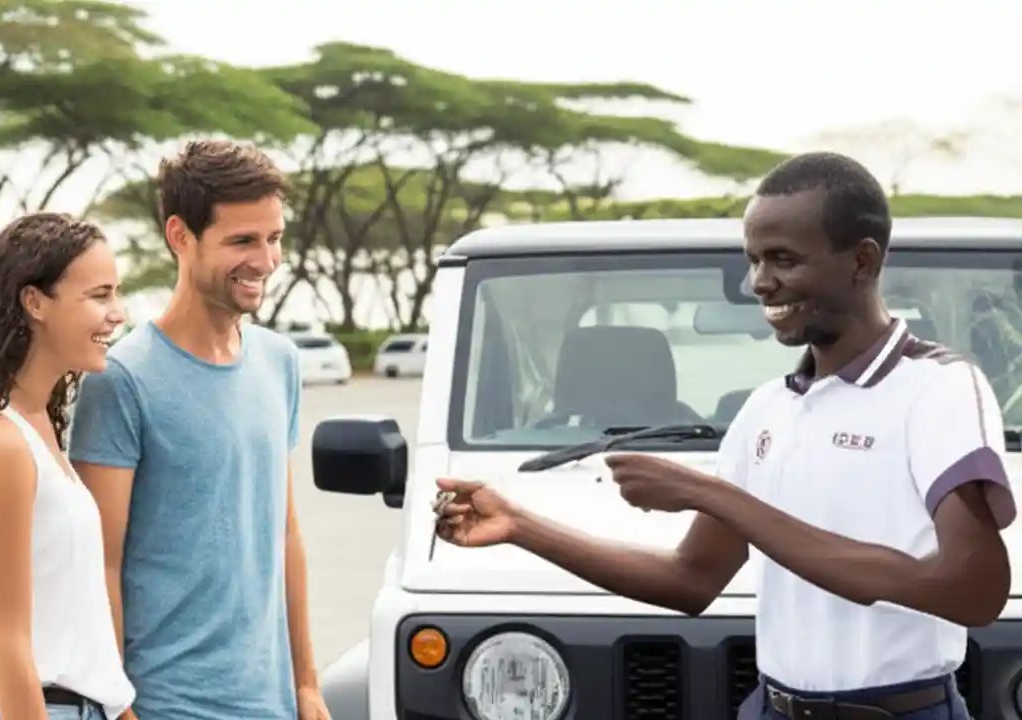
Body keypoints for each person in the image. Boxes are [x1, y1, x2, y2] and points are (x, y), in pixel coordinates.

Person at [433, 151, 1014, 719]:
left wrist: (709, 493)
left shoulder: (937, 388)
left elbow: (972, 589)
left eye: (782, 259)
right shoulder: (767, 410)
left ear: (862, 262)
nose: (760, 283)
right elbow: (690, 580)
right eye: (755, 259)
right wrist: (519, 525)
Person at [67, 139, 329, 720]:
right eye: (241, 241)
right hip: (169, 704)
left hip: (273, 703)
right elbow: (98, 565)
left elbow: (284, 534)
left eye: (274, 237)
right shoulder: (121, 380)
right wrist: (119, 708)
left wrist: (306, 685)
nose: (264, 261)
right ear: (180, 236)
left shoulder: (279, 361)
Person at [0, 212, 135, 720]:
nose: (118, 313)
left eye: (116, 293)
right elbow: (7, 640)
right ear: (34, 301)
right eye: (99, 295)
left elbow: (74, 620)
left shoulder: (35, 426)